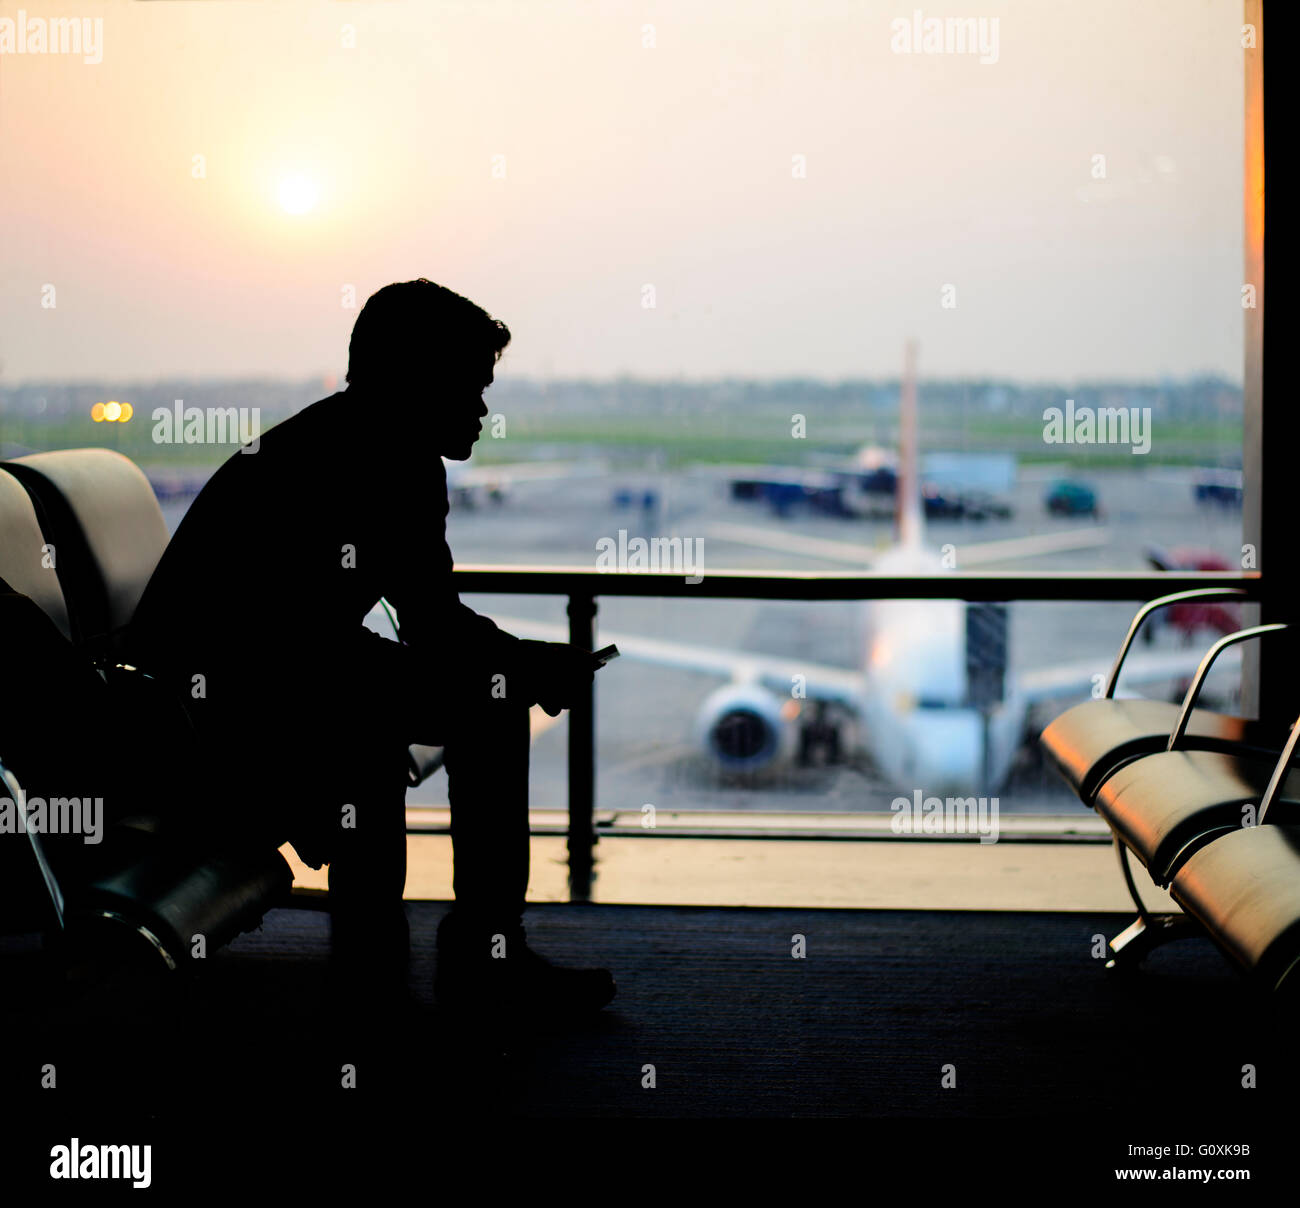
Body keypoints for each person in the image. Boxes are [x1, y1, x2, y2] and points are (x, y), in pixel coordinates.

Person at [127, 279, 616, 1017]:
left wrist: (514, 661)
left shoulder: (360, 450)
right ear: (419, 381)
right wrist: (518, 666)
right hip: (203, 718)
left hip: (248, 683)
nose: (483, 410)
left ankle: (405, 959)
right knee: (455, 712)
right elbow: (361, 641)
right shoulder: (372, 466)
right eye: (471, 388)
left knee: (471, 699)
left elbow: (402, 628)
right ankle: (468, 954)